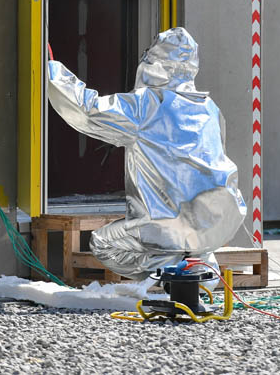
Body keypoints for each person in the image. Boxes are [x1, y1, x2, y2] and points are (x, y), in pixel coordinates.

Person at [46, 27, 246, 279]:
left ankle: (165, 275)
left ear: (154, 64)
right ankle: (200, 271)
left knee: (103, 243)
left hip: (165, 226)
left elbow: (89, 110)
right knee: (191, 241)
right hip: (219, 220)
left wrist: (52, 72)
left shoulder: (146, 104)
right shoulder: (209, 108)